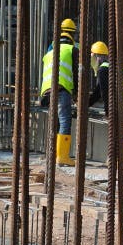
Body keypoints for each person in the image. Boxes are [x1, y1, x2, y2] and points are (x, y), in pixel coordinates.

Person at [39, 18, 79, 166]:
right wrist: (76, 93)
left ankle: (53, 154)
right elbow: (75, 72)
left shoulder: (50, 51)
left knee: (54, 121)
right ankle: (62, 157)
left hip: (47, 90)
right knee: (64, 121)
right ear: (72, 35)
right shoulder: (72, 50)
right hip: (62, 89)